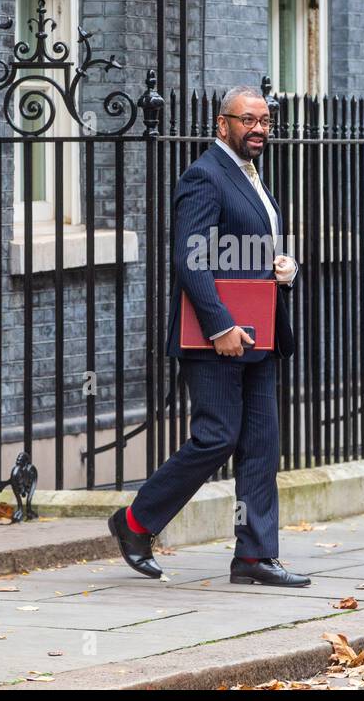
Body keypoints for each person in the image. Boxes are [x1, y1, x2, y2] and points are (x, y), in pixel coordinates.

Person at [108, 85, 308, 586]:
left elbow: (238, 251)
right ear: (222, 125)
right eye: (248, 120)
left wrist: (280, 268)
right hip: (217, 337)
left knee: (261, 442)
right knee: (216, 436)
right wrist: (220, 325)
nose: (259, 129)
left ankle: (254, 556)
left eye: (265, 121)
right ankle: (135, 523)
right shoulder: (204, 175)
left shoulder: (251, 176)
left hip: (259, 332)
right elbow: (190, 260)